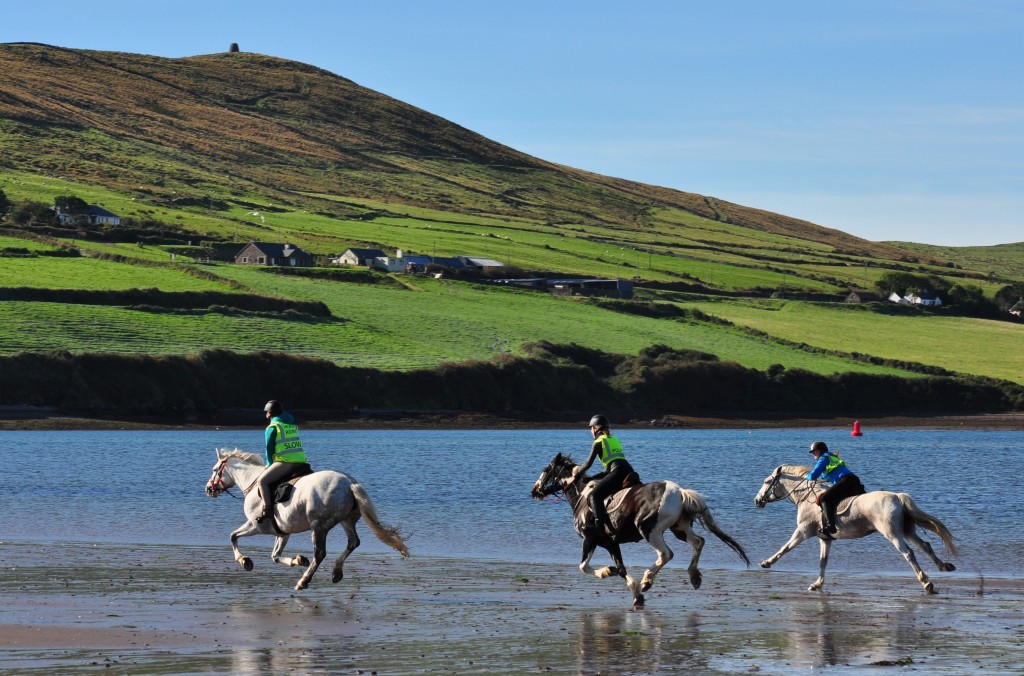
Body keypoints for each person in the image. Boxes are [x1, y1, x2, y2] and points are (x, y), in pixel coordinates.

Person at [571, 414, 637, 538]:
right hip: (628, 470)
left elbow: (587, 464)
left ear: (595, 428)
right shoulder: (614, 440)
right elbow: (608, 470)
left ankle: (599, 526)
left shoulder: (598, 441)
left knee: (594, 495)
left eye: (591, 428)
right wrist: (591, 478)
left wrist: (577, 472)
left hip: (617, 472)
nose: (591, 431)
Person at [256, 400, 308, 524]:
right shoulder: (290, 424)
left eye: (266, 413)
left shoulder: (272, 427)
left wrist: (268, 465)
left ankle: (267, 510)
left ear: (269, 413)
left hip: (286, 462)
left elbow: (269, 448)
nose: (265, 415)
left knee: (261, 481)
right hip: (301, 461)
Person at [805, 440, 866, 540]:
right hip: (854, 481)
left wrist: (804, 477)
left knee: (824, 498)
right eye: (812, 453)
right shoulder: (832, 456)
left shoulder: (823, 458)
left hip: (846, 481)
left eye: (815, 452)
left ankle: (830, 526)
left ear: (821, 451)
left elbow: (813, 475)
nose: (813, 454)